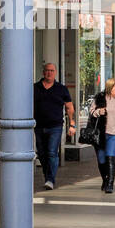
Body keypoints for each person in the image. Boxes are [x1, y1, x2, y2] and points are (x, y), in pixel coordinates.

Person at [33, 62, 75, 190]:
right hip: (39, 126)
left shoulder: (61, 89)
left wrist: (72, 124)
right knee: (42, 153)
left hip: (55, 126)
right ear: (43, 72)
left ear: (55, 72)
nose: (49, 73)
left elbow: (69, 107)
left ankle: (50, 179)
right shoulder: (35, 88)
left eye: (51, 70)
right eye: (47, 70)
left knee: (52, 152)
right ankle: (47, 175)